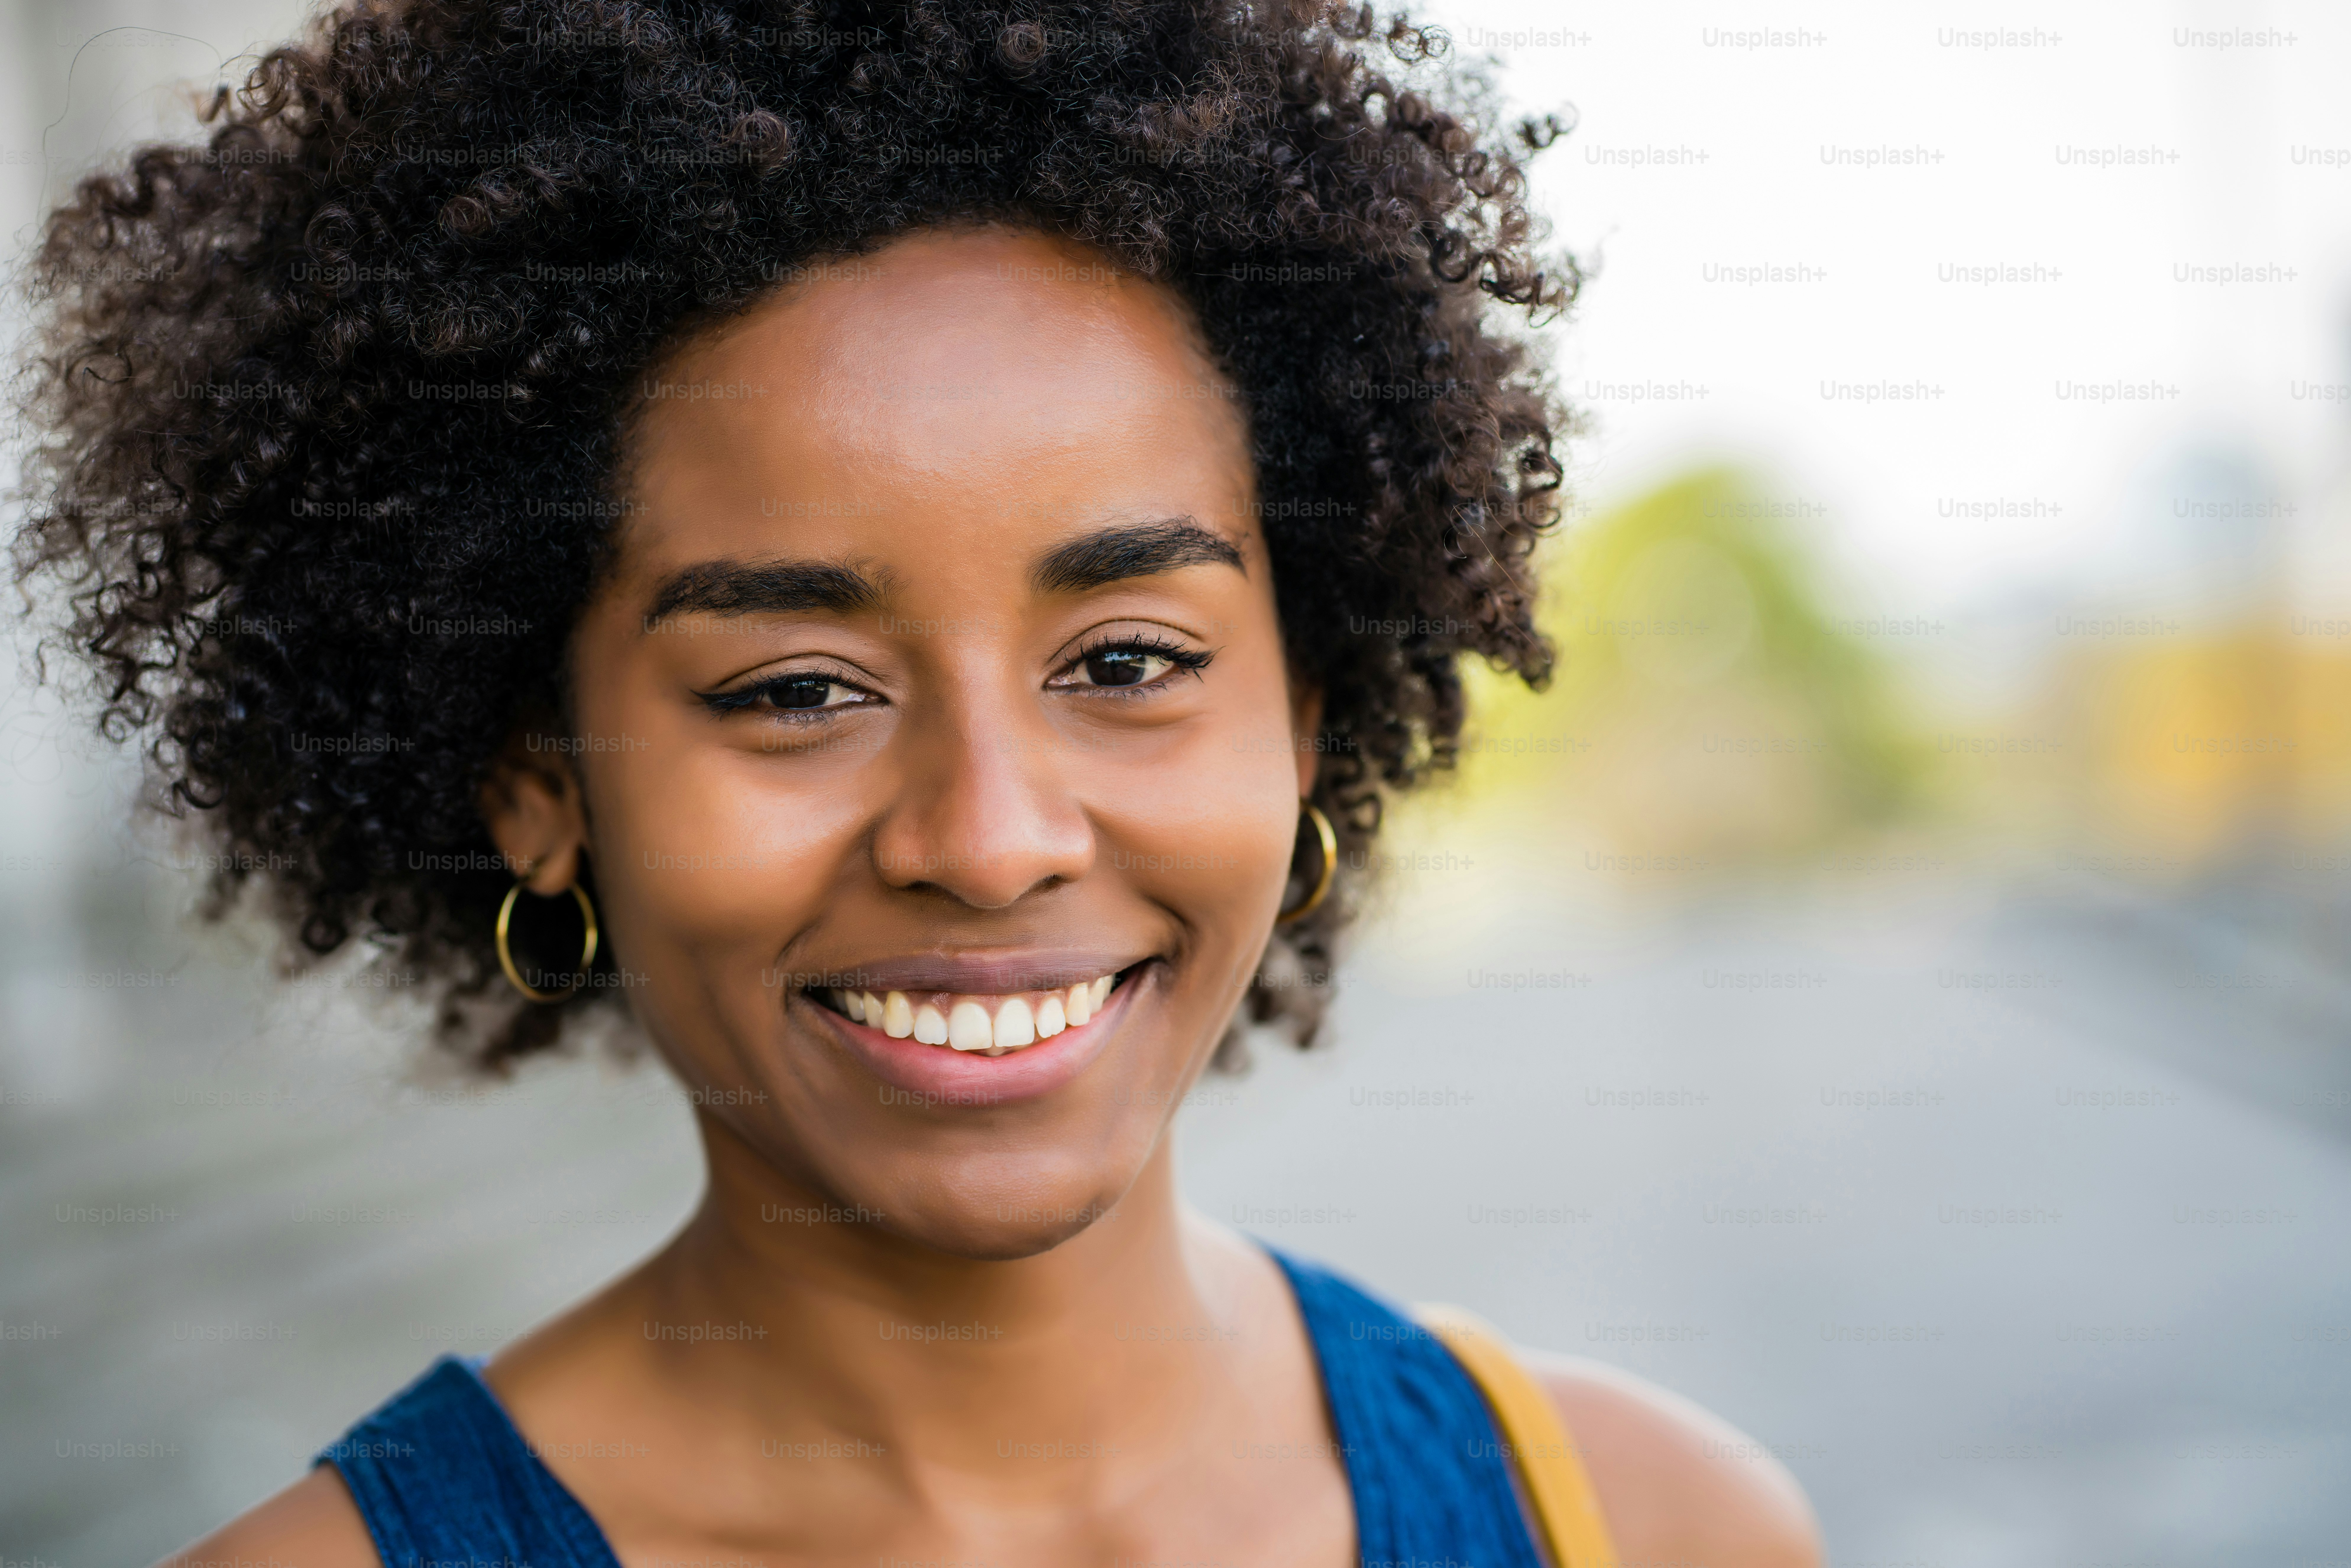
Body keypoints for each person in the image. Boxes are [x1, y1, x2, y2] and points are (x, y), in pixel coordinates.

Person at [15, 2, 1822, 1564]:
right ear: (536, 782)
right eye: (797, 689)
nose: (989, 836)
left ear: (1301, 717)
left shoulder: (1648, 1522)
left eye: (1127, 661)